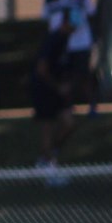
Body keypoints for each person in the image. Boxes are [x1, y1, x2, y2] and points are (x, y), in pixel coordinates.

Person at [42, 0, 97, 114]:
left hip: (80, 43)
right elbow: (45, 21)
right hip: (60, 45)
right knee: (64, 75)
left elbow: (92, 15)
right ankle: (67, 106)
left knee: (83, 75)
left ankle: (92, 106)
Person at [29, 19, 79, 179]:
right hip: (45, 90)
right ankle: (49, 172)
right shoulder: (52, 39)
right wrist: (58, 86)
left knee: (69, 123)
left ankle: (47, 156)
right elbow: (42, 69)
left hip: (57, 92)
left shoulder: (67, 41)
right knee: (47, 129)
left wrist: (67, 84)